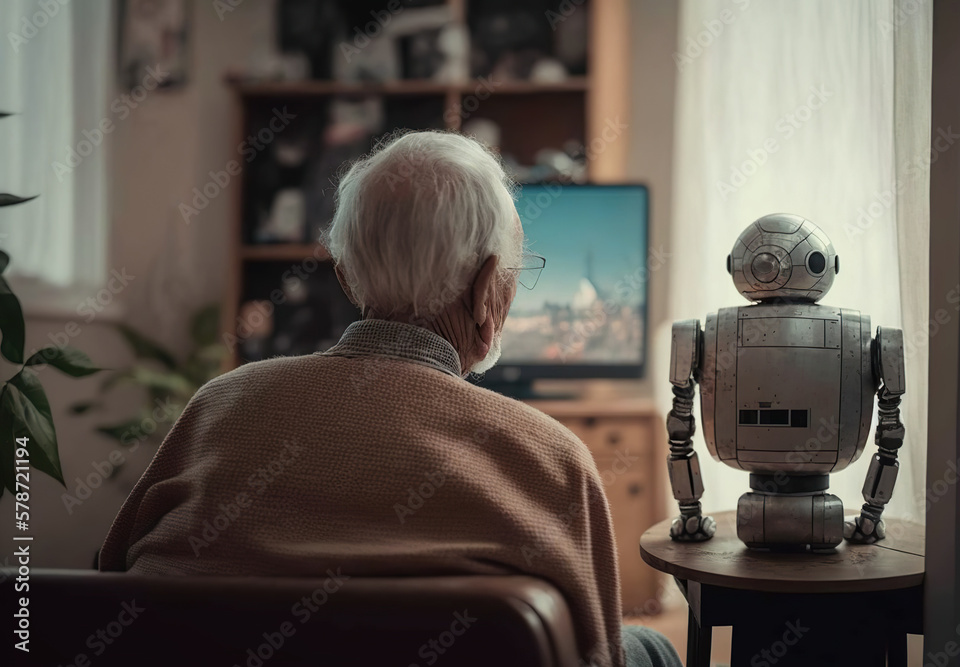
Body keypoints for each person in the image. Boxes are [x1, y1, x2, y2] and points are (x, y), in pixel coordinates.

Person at [99, 130, 680, 667]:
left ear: (348, 279)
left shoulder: (216, 409)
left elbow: (107, 581)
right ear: (485, 291)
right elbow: (594, 653)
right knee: (649, 645)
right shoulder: (551, 458)